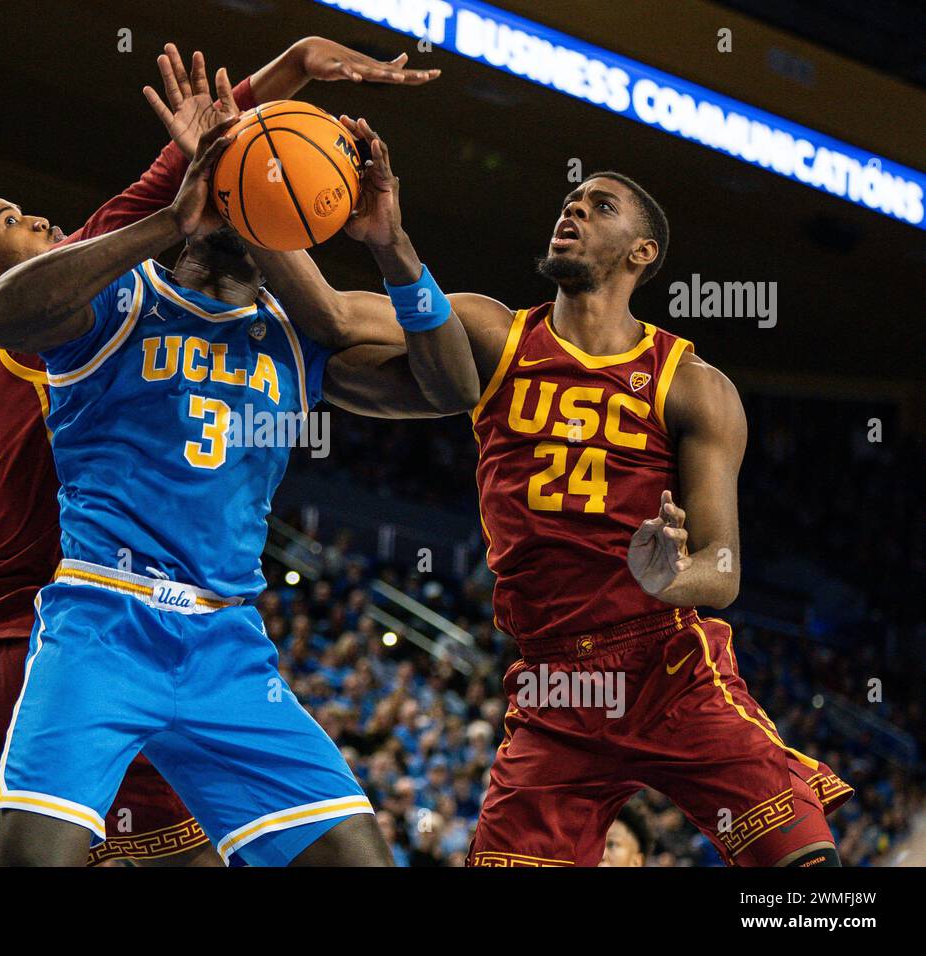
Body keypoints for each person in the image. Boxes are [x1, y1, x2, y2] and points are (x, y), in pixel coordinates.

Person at [0, 37, 439, 868]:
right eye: (12, 219)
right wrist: (292, 68)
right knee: (175, 856)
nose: (43, 220)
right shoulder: (72, 295)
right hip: (75, 625)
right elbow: (200, 167)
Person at [251, 141, 852, 867]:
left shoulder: (693, 384)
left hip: (668, 670)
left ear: (641, 252)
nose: (573, 208)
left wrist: (667, 578)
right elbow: (338, 318)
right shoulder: (496, 332)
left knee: (810, 877)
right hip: (553, 685)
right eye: (572, 201)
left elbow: (721, 570)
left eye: (600, 206)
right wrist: (254, 204)